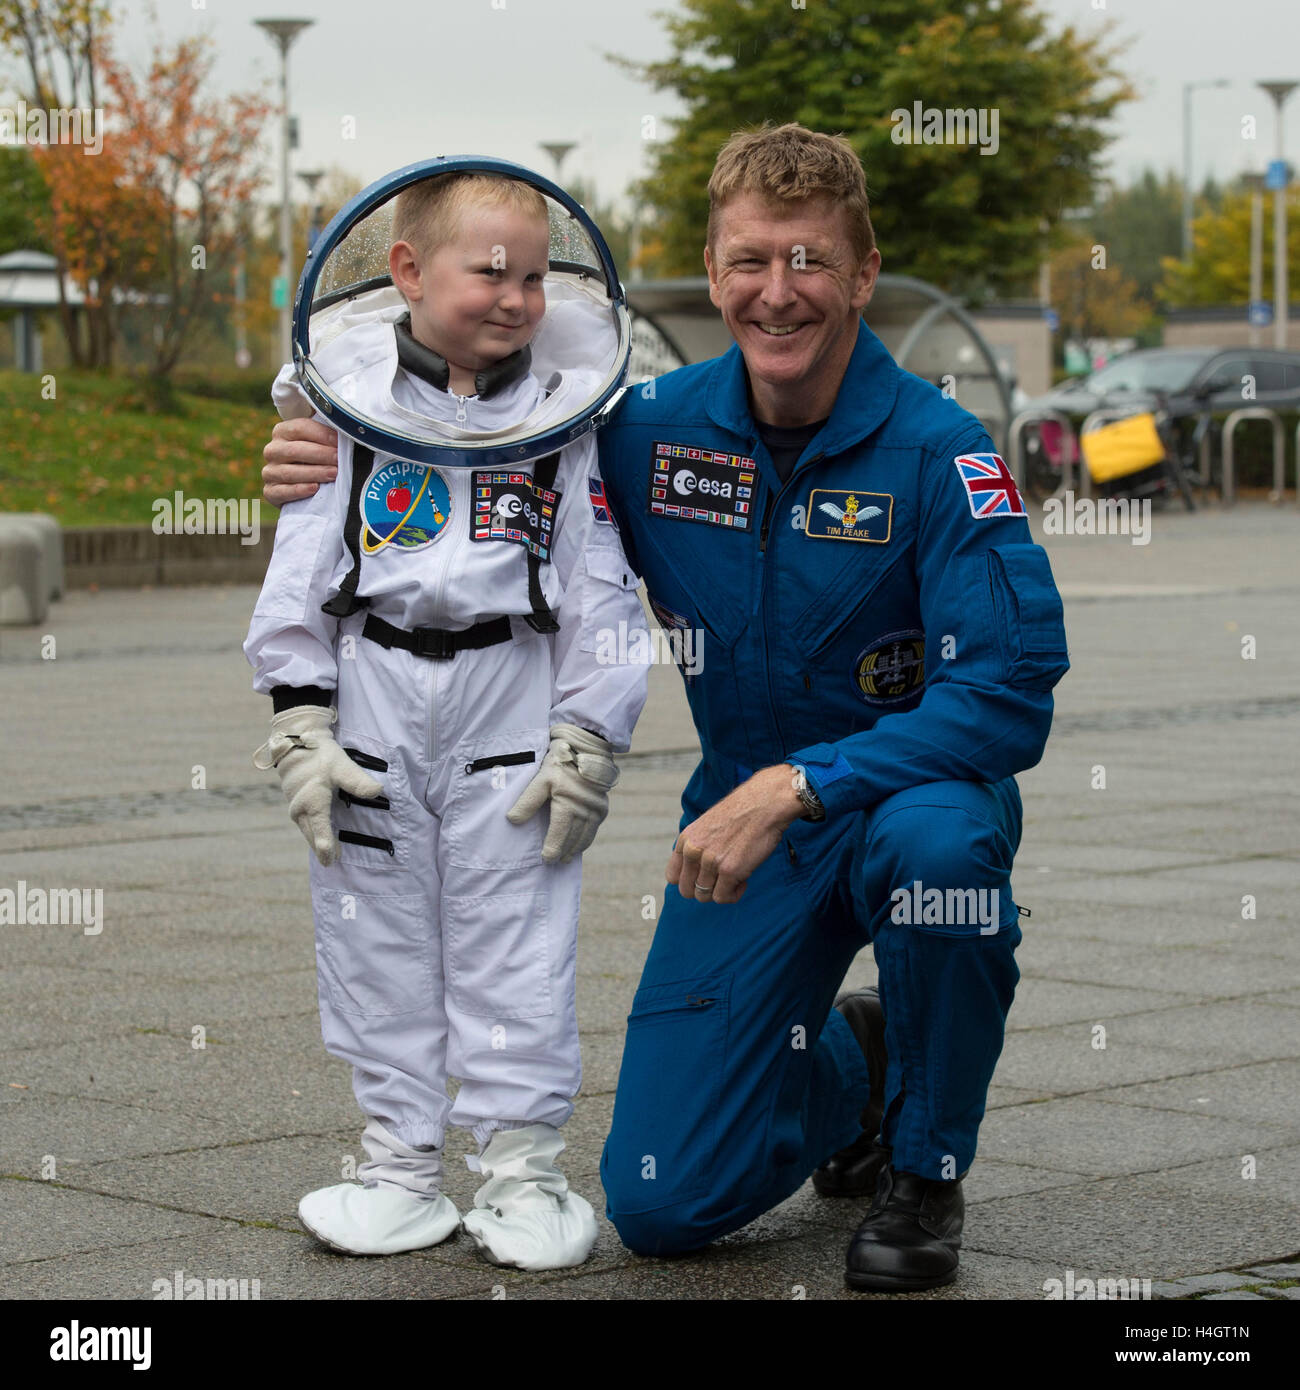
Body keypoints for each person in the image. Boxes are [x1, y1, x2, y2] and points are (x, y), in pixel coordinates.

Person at [261, 124, 1069, 1293]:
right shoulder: (641, 428)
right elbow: (467, 468)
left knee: (940, 849)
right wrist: (313, 453)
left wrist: (800, 786)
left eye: (808, 261)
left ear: (863, 272)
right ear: (710, 264)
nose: (776, 292)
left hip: (895, 794)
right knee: (661, 1199)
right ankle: (860, 1052)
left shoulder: (940, 453)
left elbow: (1007, 694)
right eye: (748, 261)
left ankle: (925, 1165)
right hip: (745, 831)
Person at [245, 170, 649, 1272]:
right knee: (371, 935)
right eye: (488, 271)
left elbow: (600, 587)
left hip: (510, 702)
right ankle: (398, 1165)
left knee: (518, 939)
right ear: (409, 273)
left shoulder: (566, 416)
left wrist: (588, 737)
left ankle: (521, 1167)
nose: (516, 296)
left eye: (531, 274)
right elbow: (299, 576)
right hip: (371, 697)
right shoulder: (341, 410)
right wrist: (297, 721)